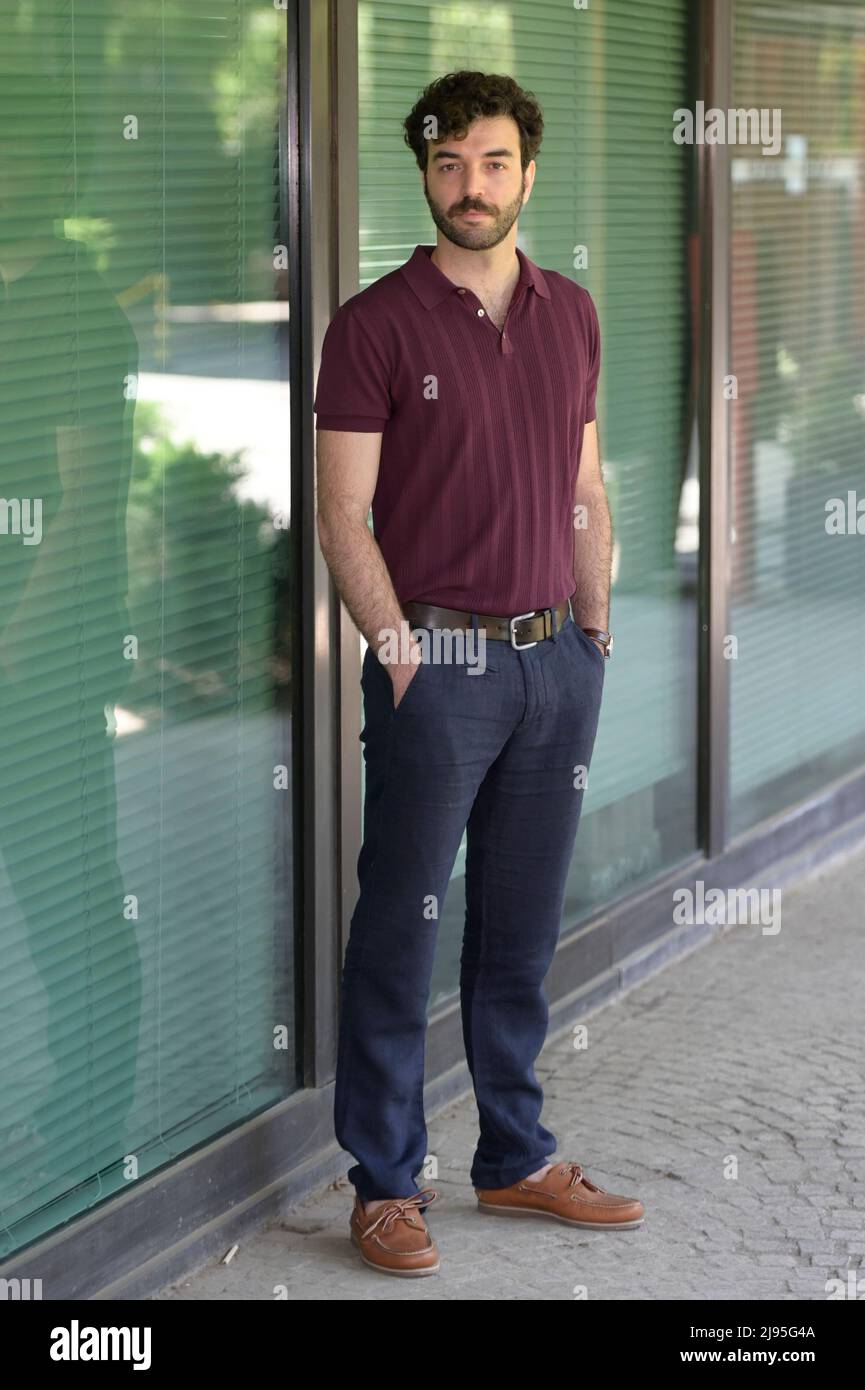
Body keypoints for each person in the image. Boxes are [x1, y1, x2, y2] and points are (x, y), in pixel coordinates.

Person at [314, 69, 644, 1277]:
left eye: (493, 161)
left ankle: (513, 1158)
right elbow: (342, 515)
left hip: (555, 658)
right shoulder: (375, 323)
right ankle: (385, 1181)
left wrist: (594, 623)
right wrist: (400, 654)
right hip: (438, 663)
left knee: (517, 932)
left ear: (526, 171)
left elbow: (584, 483)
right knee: (401, 928)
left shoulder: (573, 312)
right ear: (425, 174)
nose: (472, 184)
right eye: (449, 163)